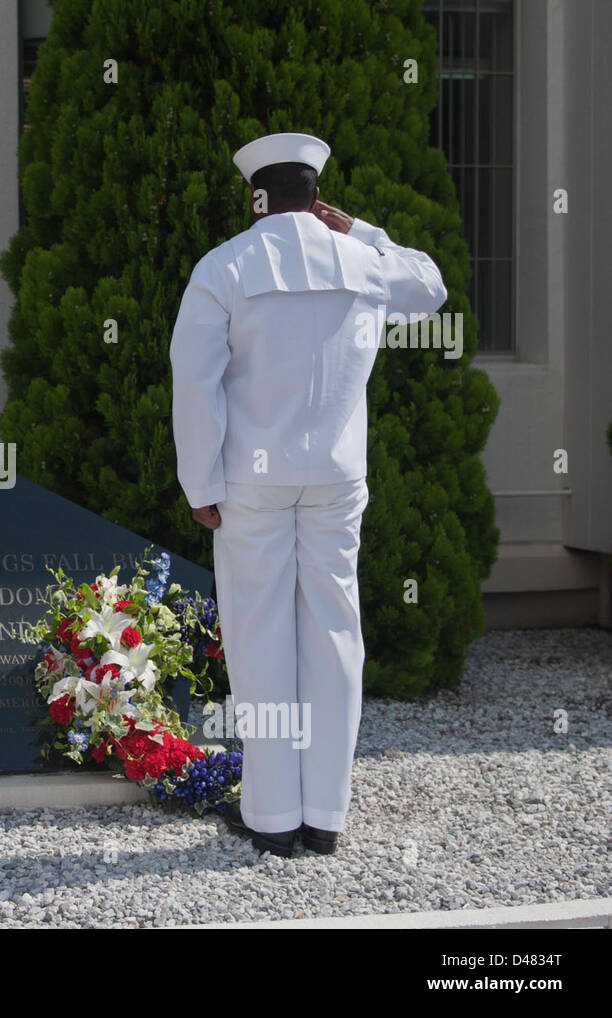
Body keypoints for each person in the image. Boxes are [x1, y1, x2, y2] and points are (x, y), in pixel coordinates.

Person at [169, 132, 446, 856]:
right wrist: (361, 229)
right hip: (334, 477)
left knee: (261, 644)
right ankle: (325, 816)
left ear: (256, 194)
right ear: (315, 195)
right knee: (334, 637)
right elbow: (431, 283)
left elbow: (194, 382)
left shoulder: (223, 266)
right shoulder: (364, 262)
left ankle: (271, 819)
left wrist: (201, 482)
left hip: (252, 484)